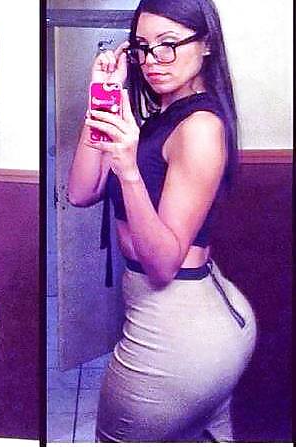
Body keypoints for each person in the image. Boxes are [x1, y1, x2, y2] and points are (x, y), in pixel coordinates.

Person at [68, 0, 257, 442]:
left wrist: (128, 169)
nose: (152, 60)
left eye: (168, 44)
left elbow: (162, 264)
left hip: (178, 319)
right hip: (191, 316)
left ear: (206, 44)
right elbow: (81, 192)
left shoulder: (200, 126)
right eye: (142, 47)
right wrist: (102, 97)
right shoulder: (158, 119)